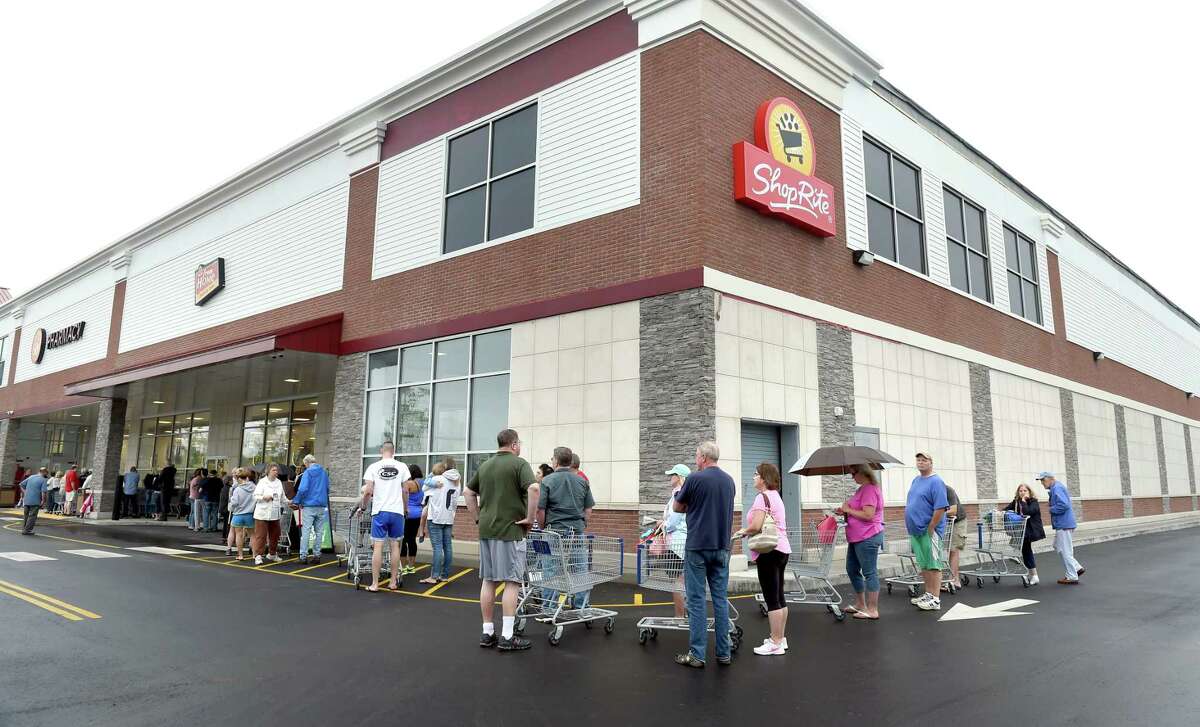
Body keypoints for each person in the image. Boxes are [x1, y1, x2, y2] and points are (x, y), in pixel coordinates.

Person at [465, 428, 539, 652]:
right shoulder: (519, 464)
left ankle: (487, 632)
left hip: (487, 530)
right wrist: (530, 518)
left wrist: (478, 518)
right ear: (514, 444)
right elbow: (534, 488)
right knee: (512, 581)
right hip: (510, 530)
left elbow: (468, 492)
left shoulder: (486, 465)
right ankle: (507, 636)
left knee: (488, 580)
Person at [672, 440, 736, 668]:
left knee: (697, 600)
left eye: (697, 456)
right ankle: (723, 652)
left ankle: (698, 654)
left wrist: (693, 506)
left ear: (703, 458)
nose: (696, 459)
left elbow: (677, 507)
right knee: (720, 599)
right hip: (722, 547)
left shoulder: (695, 479)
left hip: (698, 546)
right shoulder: (729, 481)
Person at [734, 462, 792, 655]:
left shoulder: (762, 497)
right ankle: (780, 638)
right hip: (782, 549)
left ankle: (775, 642)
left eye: (756, 474)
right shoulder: (777, 497)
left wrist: (742, 531)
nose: (753, 477)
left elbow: (757, 525)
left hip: (768, 551)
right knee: (779, 596)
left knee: (771, 598)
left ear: (764, 479)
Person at [536, 446, 595, 610]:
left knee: (550, 570)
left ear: (555, 460)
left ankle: (550, 607)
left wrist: (542, 527)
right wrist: (581, 524)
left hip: (554, 531)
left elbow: (539, 509)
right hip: (576, 532)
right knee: (579, 570)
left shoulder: (547, 481)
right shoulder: (582, 481)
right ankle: (581, 605)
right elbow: (588, 509)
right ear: (570, 461)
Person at [359, 442, 412, 591]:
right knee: (395, 546)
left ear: (381, 450)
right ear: (394, 451)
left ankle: (375, 584)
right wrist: (405, 508)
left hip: (380, 511)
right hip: (397, 512)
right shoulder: (402, 467)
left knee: (378, 546)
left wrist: (363, 506)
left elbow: (368, 491)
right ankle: (392, 582)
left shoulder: (373, 467)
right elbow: (406, 490)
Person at [837, 464, 885, 620]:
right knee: (851, 568)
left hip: (867, 536)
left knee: (869, 572)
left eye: (853, 473)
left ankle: (872, 609)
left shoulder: (869, 489)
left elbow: (868, 514)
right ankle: (860, 604)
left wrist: (849, 510)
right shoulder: (861, 489)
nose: (852, 477)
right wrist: (845, 510)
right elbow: (857, 510)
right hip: (857, 537)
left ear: (863, 473)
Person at [906, 452, 949, 611]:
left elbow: (940, 507)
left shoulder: (936, 482)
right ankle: (928, 594)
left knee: (934, 564)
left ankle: (935, 599)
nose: (921, 462)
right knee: (924, 564)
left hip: (929, 531)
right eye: (918, 460)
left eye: (924, 460)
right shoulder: (916, 480)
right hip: (916, 530)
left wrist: (932, 526)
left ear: (931, 462)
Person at [419, 459, 461, 584]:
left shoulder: (437, 480)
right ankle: (445, 575)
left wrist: (432, 474)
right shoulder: (457, 482)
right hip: (448, 517)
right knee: (447, 547)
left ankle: (434, 576)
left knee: (437, 548)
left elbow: (424, 488)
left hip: (435, 517)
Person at [656, 464, 690, 618]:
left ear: (680, 477)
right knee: (683, 581)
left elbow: (673, 521)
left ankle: (679, 616)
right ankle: (686, 613)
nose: (671, 477)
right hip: (683, 543)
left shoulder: (679, 494)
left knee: (677, 581)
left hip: (676, 544)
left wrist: (663, 524)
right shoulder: (684, 494)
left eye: (673, 474)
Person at [1040, 472, 1083, 584]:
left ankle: (1072, 576)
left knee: (1065, 551)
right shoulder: (1056, 487)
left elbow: (1064, 505)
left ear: (1050, 479)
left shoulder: (1057, 488)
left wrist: (1051, 509)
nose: (1042, 483)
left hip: (1064, 524)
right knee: (1058, 546)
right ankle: (1077, 568)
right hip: (1064, 523)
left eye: (1043, 480)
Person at [1004, 483, 1045, 585]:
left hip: (1030, 530)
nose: (1022, 492)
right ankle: (1034, 575)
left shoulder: (1033, 502)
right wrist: (1001, 512)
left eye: (1025, 491)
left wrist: (1023, 501)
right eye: (1020, 491)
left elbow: (1028, 512)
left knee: (1026, 551)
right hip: (1021, 530)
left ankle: (1033, 574)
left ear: (1029, 492)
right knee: (1025, 550)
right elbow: (1008, 508)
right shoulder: (1016, 501)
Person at [293, 454, 331, 565]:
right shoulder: (324, 472)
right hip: (321, 505)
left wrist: (296, 500)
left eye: (305, 465)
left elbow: (303, 488)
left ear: (307, 463)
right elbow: (328, 488)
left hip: (309, 505)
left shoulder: (307, 472)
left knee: (306, 531)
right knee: (319, 532)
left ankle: (303, 556)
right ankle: (316, 556)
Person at [251, 465, 287, 565]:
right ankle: (258, 556)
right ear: (268, 472)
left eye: (277, 470)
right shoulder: (262, 482)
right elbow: (255, 496)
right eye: (274, 470)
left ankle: (272, 554)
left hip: (275, 513)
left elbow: (283, 497)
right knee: (261, 535)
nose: (276, 472)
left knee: (275, 535)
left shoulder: (279, 482)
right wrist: (263, 497)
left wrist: (290, 502)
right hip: (262, 513)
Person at [400, 464, 424, 575]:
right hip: (418, 513)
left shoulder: (409, 484)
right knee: (412, 540)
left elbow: (402, 494)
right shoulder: (423, 483)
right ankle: (411, 566)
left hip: (407, 513)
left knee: (404, 540)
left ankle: (403, 566)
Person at [228, 469, 257, 560]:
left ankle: (240, 555)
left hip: (238, 515)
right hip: (249, 514)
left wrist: (230, 507)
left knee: (239, 535)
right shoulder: (254, 487)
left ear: (238, 478)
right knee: (252, 535)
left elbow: (234, 503)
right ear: (247, 477)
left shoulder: (238, 489)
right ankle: (254, 554)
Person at [944, 482, 967, 590]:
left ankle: (955, 579)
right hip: (944, 522)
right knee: (944, 550)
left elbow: (953, 510)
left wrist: (936, 513)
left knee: (953, 549)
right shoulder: (930, 493)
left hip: (958, 520)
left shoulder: (948, 490)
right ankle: (944, 579)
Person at [19, 467, 49, 535]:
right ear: (44, 472)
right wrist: (43, 501)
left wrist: (25, 492)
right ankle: (27, 530)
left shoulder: (31, 477)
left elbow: (21, 484)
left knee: (26, 515)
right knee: (32, 516)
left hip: (27, 499)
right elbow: (43, 492)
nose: (46, 474)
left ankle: (24, 529)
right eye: (46, 473)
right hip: (35, 500)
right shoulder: (43, 480)